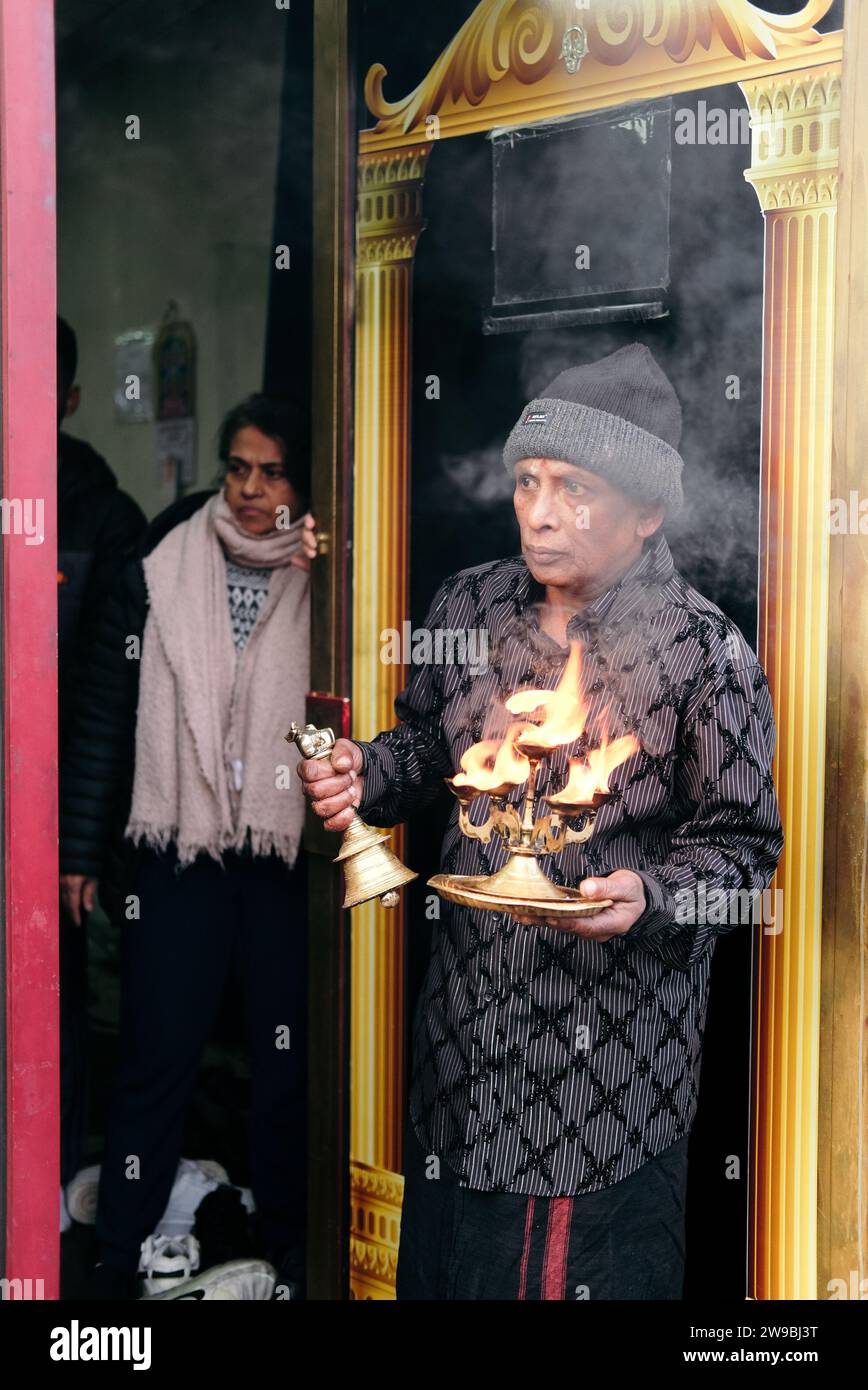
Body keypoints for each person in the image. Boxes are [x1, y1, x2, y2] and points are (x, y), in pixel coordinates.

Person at [298, 344, 784, 1301]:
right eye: (527, 481)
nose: (539, 510)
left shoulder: (705, 653)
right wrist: (369, 772)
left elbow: (744, 858)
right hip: (466, 1059)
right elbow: (427, 748)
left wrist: (651, 895)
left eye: (574, 487)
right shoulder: (471, 606)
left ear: (647, 513)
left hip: (605, 1082)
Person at [60, 394, 317, 1299]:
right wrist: (82, 850)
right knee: (155, 1055)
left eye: (273, 471)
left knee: (288, 1068)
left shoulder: (335, 569)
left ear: (302, 480)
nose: (250, 490)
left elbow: (360, 715)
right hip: (181, 849)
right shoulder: (162, 561)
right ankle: (117, 1256)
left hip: (286, 857)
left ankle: (291, 1251)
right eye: (238, 467)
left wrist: (341, 581)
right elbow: (102, 712)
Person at [57, 316, 146, 1222]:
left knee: (51, 999)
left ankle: (45, 1187)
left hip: (51, 812)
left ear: (70, 401)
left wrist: (77, 845)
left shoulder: (102, 514)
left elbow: (102, 706)